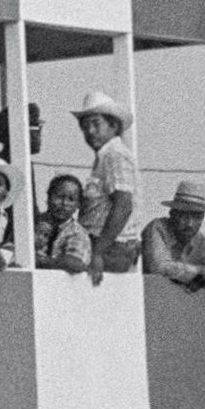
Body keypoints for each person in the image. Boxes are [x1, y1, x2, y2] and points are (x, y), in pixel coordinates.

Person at [71, 90, 140, 283]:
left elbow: (123, 205)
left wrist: (98, 253)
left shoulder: (114, 155)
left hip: (111, 247)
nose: (90, 131)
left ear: (113, 126)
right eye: (85, 126)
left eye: (96, 124)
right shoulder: (105, 156)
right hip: (104, 244)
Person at [141, 181, 205, 290]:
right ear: (172, 214)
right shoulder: (158, 228)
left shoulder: (197, 238)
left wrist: (204, 274)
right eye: (184, 215)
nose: (190, 223)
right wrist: (201, 271)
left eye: (197, 217)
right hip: (144, 295)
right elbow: (159, 267)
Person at [37, 174, 93, 274]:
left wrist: (39, 261)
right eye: (59, 197)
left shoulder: (78, 233)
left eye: (71, 199)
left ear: (78, 204)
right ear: (48, 197)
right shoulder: (33, 224)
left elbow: (73, 263)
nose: (64, 203)